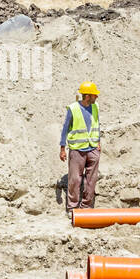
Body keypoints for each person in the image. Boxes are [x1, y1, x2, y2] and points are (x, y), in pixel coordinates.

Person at [60, 81, 101, 213]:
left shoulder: (96, 107)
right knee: (75, 180)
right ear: (88, 96)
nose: (97, 97)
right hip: (77, 149)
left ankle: (87, 208)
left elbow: (97, 124)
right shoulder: (73, 108)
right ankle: (72, 209)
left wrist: (98, 142)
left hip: (93, 148)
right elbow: (65, 128)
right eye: (95, 95)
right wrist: (62, 148)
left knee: (91, 180)